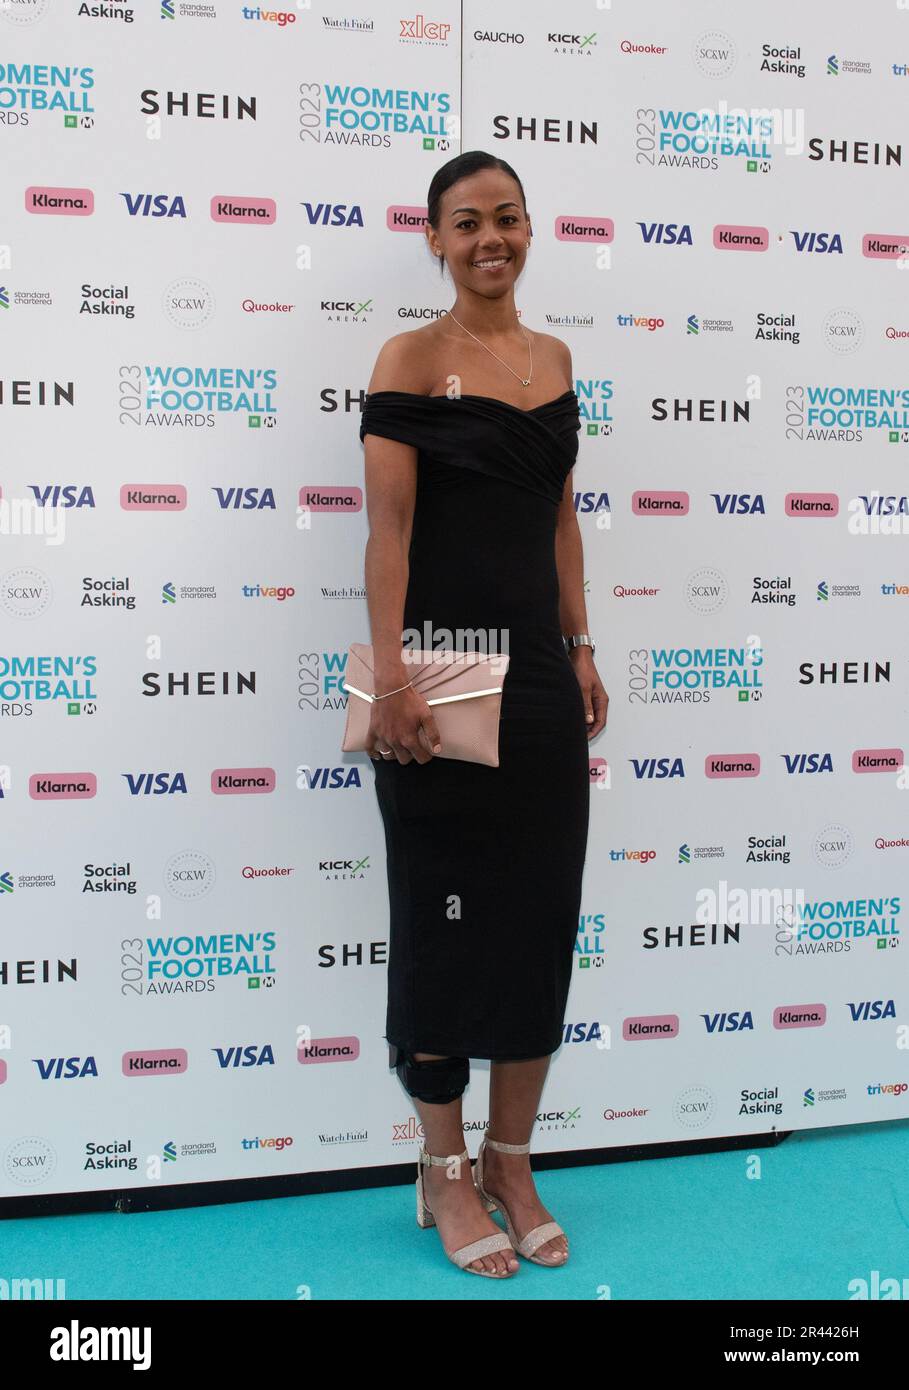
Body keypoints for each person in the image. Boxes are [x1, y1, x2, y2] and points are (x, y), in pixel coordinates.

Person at [358, 150, 608, 1279]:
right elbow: (390, 535)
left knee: (537, 920)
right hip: (441, 674)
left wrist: (582, 641)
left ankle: (513, 1159)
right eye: (467, 223)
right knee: (443, 928)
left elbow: (560, 518)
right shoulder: (410, 359)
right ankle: (445, 1172)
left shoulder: (555, 362)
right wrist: (393, 674)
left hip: (543, 680)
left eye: (507, 218)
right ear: (436, 240)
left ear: (528, 229)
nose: (490, 238)